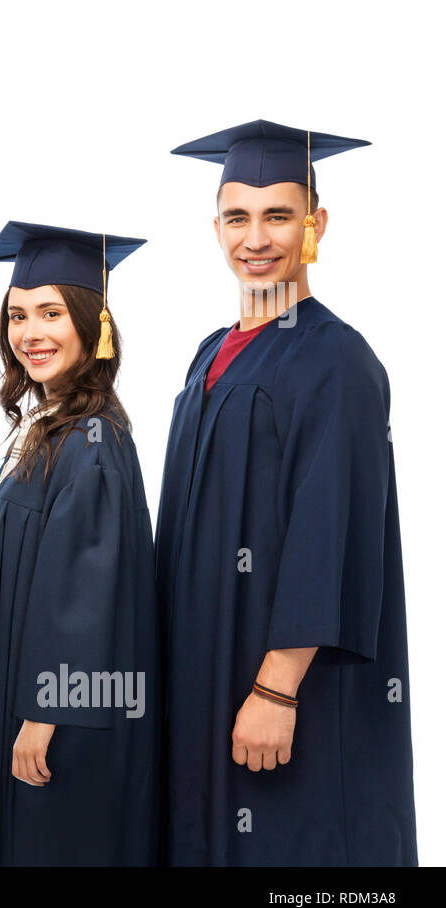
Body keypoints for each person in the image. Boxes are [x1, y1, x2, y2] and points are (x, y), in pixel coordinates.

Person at [156, 119, 416, 865]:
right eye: (238, 217)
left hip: (287, 687)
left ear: (316, 225)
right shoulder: (209, 354)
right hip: (206, 672)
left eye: (279, 215)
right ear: (215, 228)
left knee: (296, 853)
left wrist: (276, 689)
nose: (257, 238)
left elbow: (327, 531)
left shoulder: (336, 359)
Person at [0, 222, 161, 866]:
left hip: (62, 719)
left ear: (92, 325)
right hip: (23, 702)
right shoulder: (48, 429)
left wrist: (44, 714)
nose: (31, 333)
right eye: (18, 316)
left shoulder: (92, 442)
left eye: (51, 313)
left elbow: (85, 593)